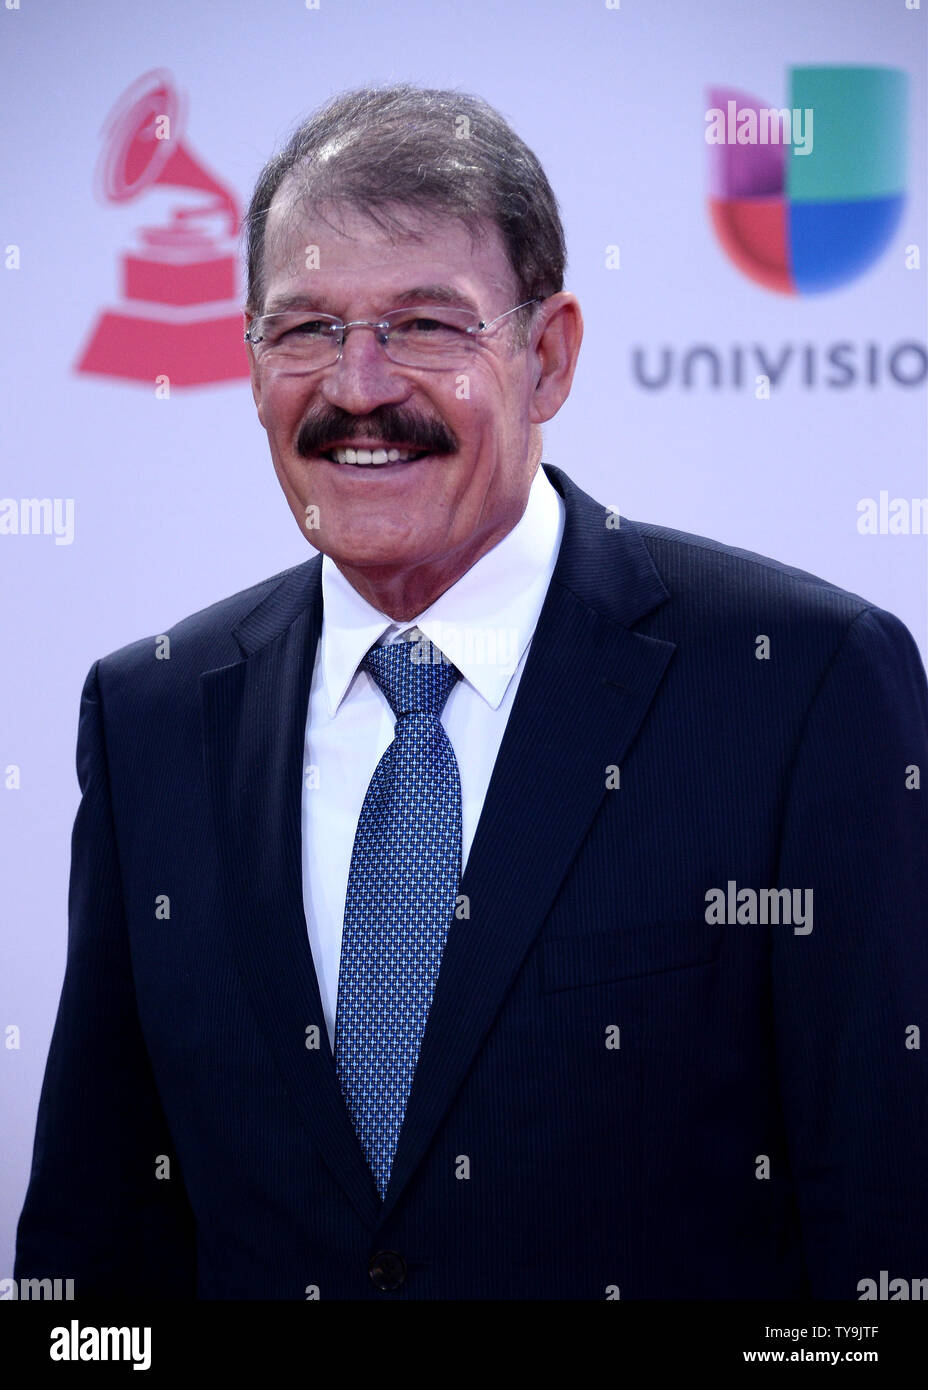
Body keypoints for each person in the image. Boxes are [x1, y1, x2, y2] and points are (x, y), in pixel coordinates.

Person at [15, 83, 928, 1300]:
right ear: (248, 364)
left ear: (545, 357)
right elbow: (95, 1246)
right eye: (304, 331)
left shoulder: (802, 683)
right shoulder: (151, 716)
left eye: (427, 325)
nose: (357, 386)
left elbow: (883, 1229)